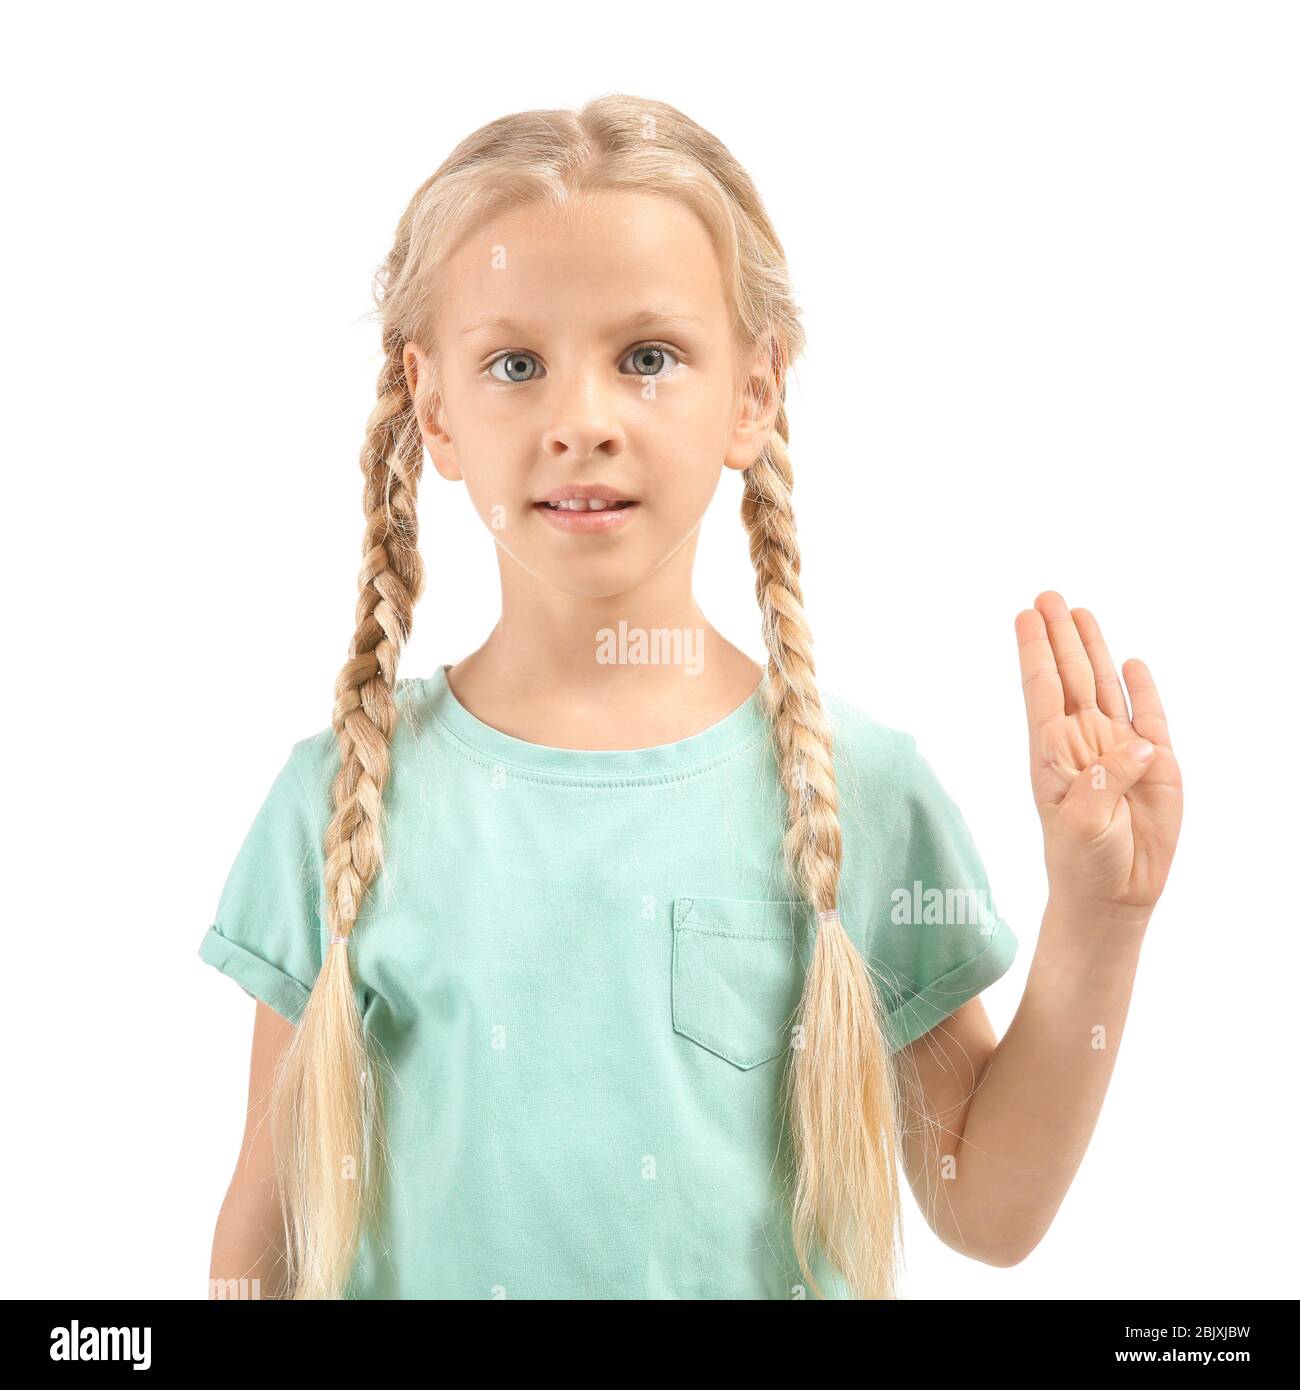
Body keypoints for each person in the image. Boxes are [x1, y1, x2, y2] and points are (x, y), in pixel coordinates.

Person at [199, 94, 1184, 1300]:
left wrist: (1100, 920)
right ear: (435, 405)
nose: (580, 422)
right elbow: (264, 1238)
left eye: (647, 358)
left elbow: (984, 1206)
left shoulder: (859, 790)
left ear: (755, 391)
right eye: (516, 363)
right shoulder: (341, 798)